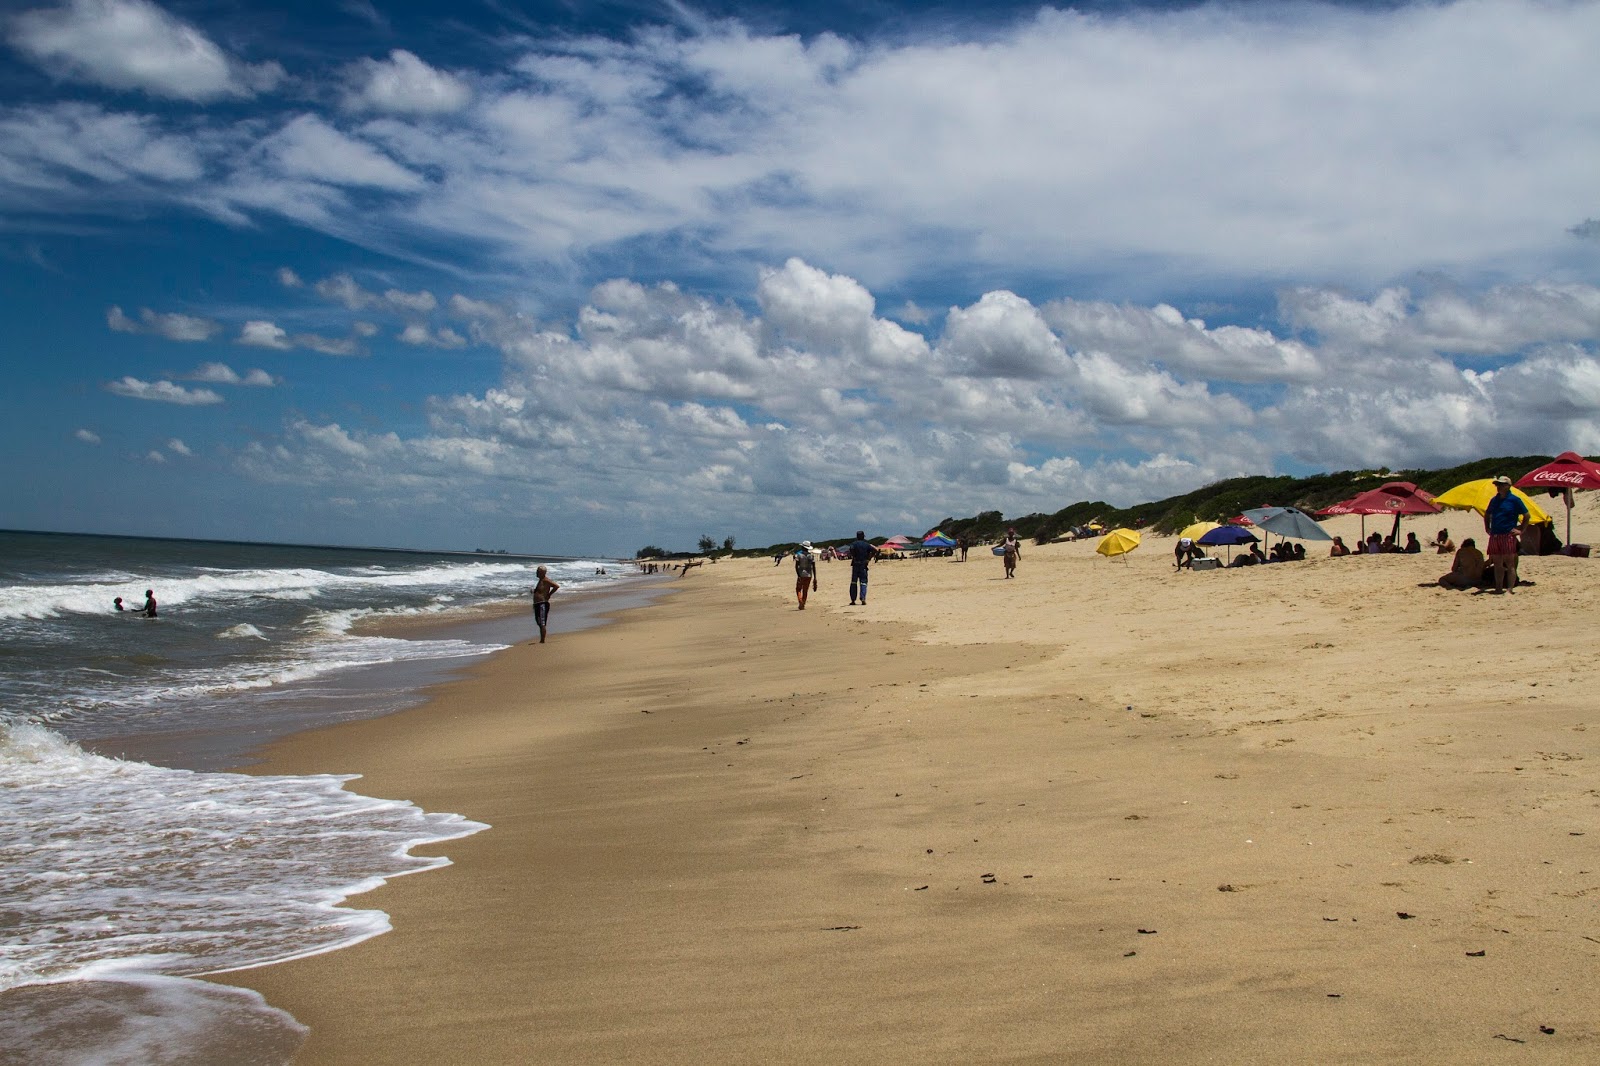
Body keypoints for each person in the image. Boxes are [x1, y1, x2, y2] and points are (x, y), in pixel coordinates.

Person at [1483, 475, 1530, 592]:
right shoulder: (1494, 500)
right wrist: (1487, 527)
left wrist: (1521, 530)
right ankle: (1498, 587)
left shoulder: (1514, 500)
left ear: (1508, 486)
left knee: (1510, 563)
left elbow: (1527, 515)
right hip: (1495, 534)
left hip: (1508, 534)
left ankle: (1510, 588)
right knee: (1497, 563)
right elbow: (1487, 514)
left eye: (1501, 485)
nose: (1498, 487)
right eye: (1497, 485)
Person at [529, 566, 560, 643]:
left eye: (538, 571)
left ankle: (542, 640)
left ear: (542, 573)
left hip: (542, 604)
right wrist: (534, 591)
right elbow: (540, 590)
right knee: (539, 622)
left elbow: (556, 586)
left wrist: (549, 594)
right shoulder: (540, 580)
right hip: (537, 604)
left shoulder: (546, 580)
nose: (536, 572)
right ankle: (542, 639)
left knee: (542, 622)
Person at [847, 531, 877, 605]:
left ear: (857, 537)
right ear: (863, 536)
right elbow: (874, 550)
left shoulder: (854, 544)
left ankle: (853, 599)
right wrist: (868, 559)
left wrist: (854, 556)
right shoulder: (866, 545)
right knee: (863, 582)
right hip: (863, 564)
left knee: (854, 582)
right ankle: (863, 598)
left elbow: (851, 550)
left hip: (855, 564)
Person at [793, 542, 818, 610]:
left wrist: (798, 575)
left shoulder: (799, 555)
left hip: (801, 574)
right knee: (805, 590)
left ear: (803, 547)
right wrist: (815, 577)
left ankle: (800, 601)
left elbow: (796, 566)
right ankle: (803, 603)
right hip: (809, 575)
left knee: (798, 589)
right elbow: (814, 567)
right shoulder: (811, 556)